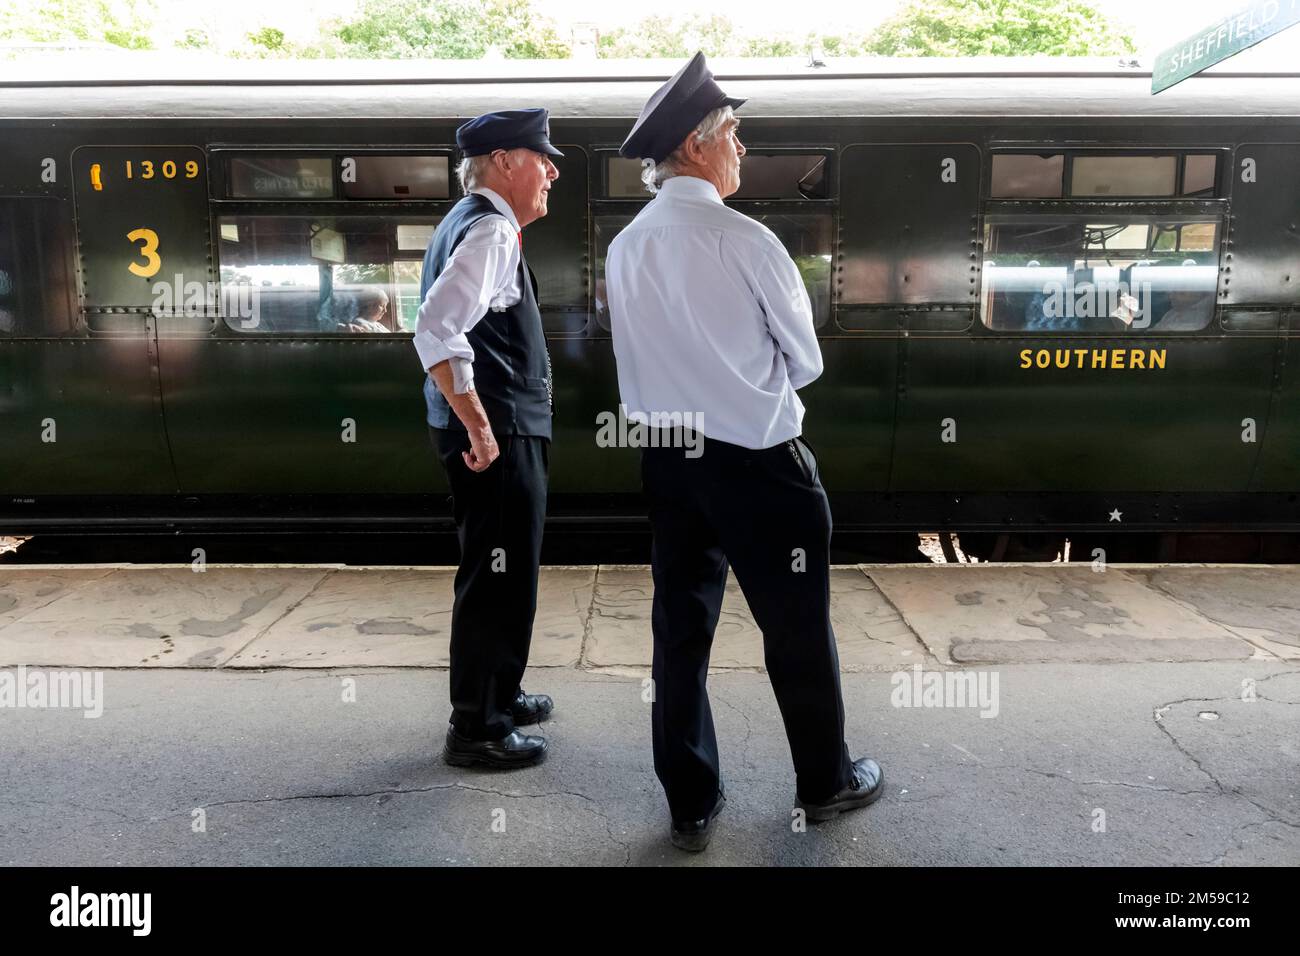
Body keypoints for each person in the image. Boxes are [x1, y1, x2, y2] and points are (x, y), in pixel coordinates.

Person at [606, 52, 884, 852]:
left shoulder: (628, 247)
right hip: (760, 464)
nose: (741, 150)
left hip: (667, 457)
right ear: (695, 147)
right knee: (796, 626)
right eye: (733, 134)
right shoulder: (747, 239)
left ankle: (690, 801)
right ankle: (823, 782)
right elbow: (807, 361)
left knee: (679, 632)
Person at [412, 108, 561, 769]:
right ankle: (478, 727)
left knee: (499, 570)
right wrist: (479, 422)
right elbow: (437, 327)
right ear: (504, 161)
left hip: (491, 428)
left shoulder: (466, 220)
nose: (552, 169)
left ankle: (500, 691)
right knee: (499, 576)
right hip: (496, 434)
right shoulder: (494, 229)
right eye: (540, 156)